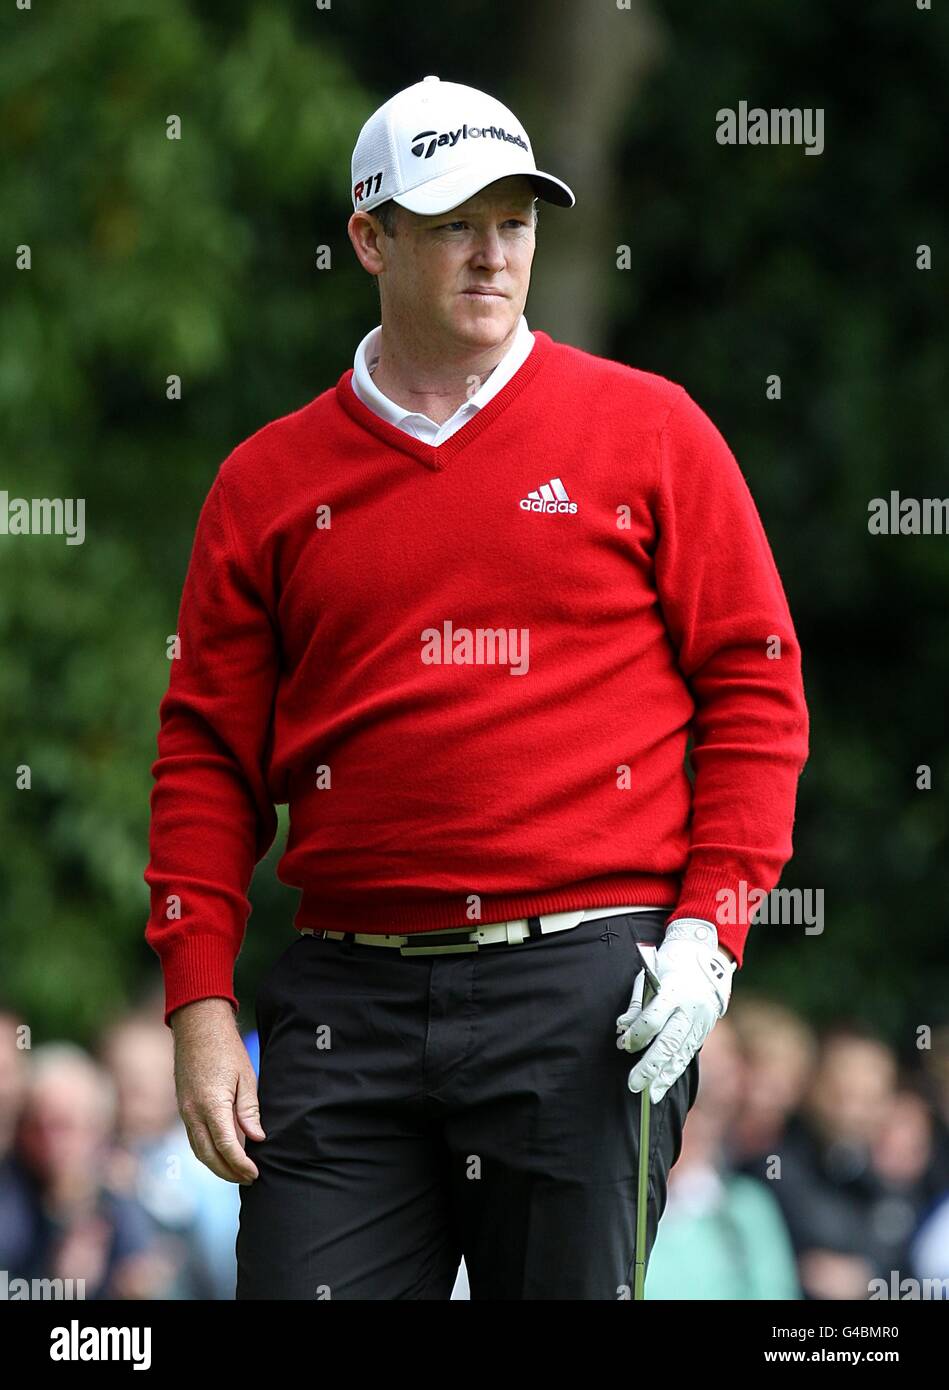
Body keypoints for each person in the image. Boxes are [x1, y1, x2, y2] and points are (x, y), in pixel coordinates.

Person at [143, 76, 809, 1300]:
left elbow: (755, 688)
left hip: (585, 987)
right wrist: (197, 1001)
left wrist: (711, 928)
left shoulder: (650, 430)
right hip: (346, 996)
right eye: (453, 222)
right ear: (369, 237)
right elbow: (205, 754)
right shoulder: (267, 481)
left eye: (514, 220)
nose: (491, 252)